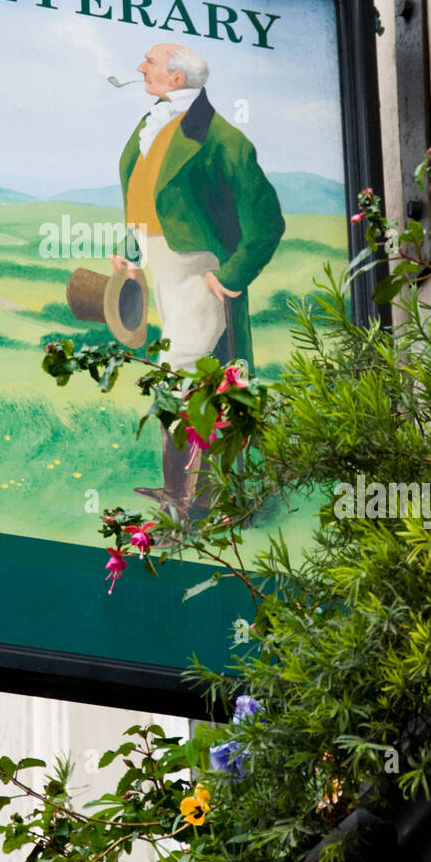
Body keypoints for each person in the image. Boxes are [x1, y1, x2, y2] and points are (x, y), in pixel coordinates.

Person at [113, 42, 284, 518]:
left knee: (182, 374)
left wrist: (230, 275)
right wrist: (131, 251)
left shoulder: (224, 140)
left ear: (177, 78)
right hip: (161, 266)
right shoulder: (151, 123)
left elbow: (267, 221)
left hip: (199, 270)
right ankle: (186, 492)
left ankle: (194, 500)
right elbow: (140, 195)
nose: (139, 67)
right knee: (191, 375)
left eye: (149, 62)